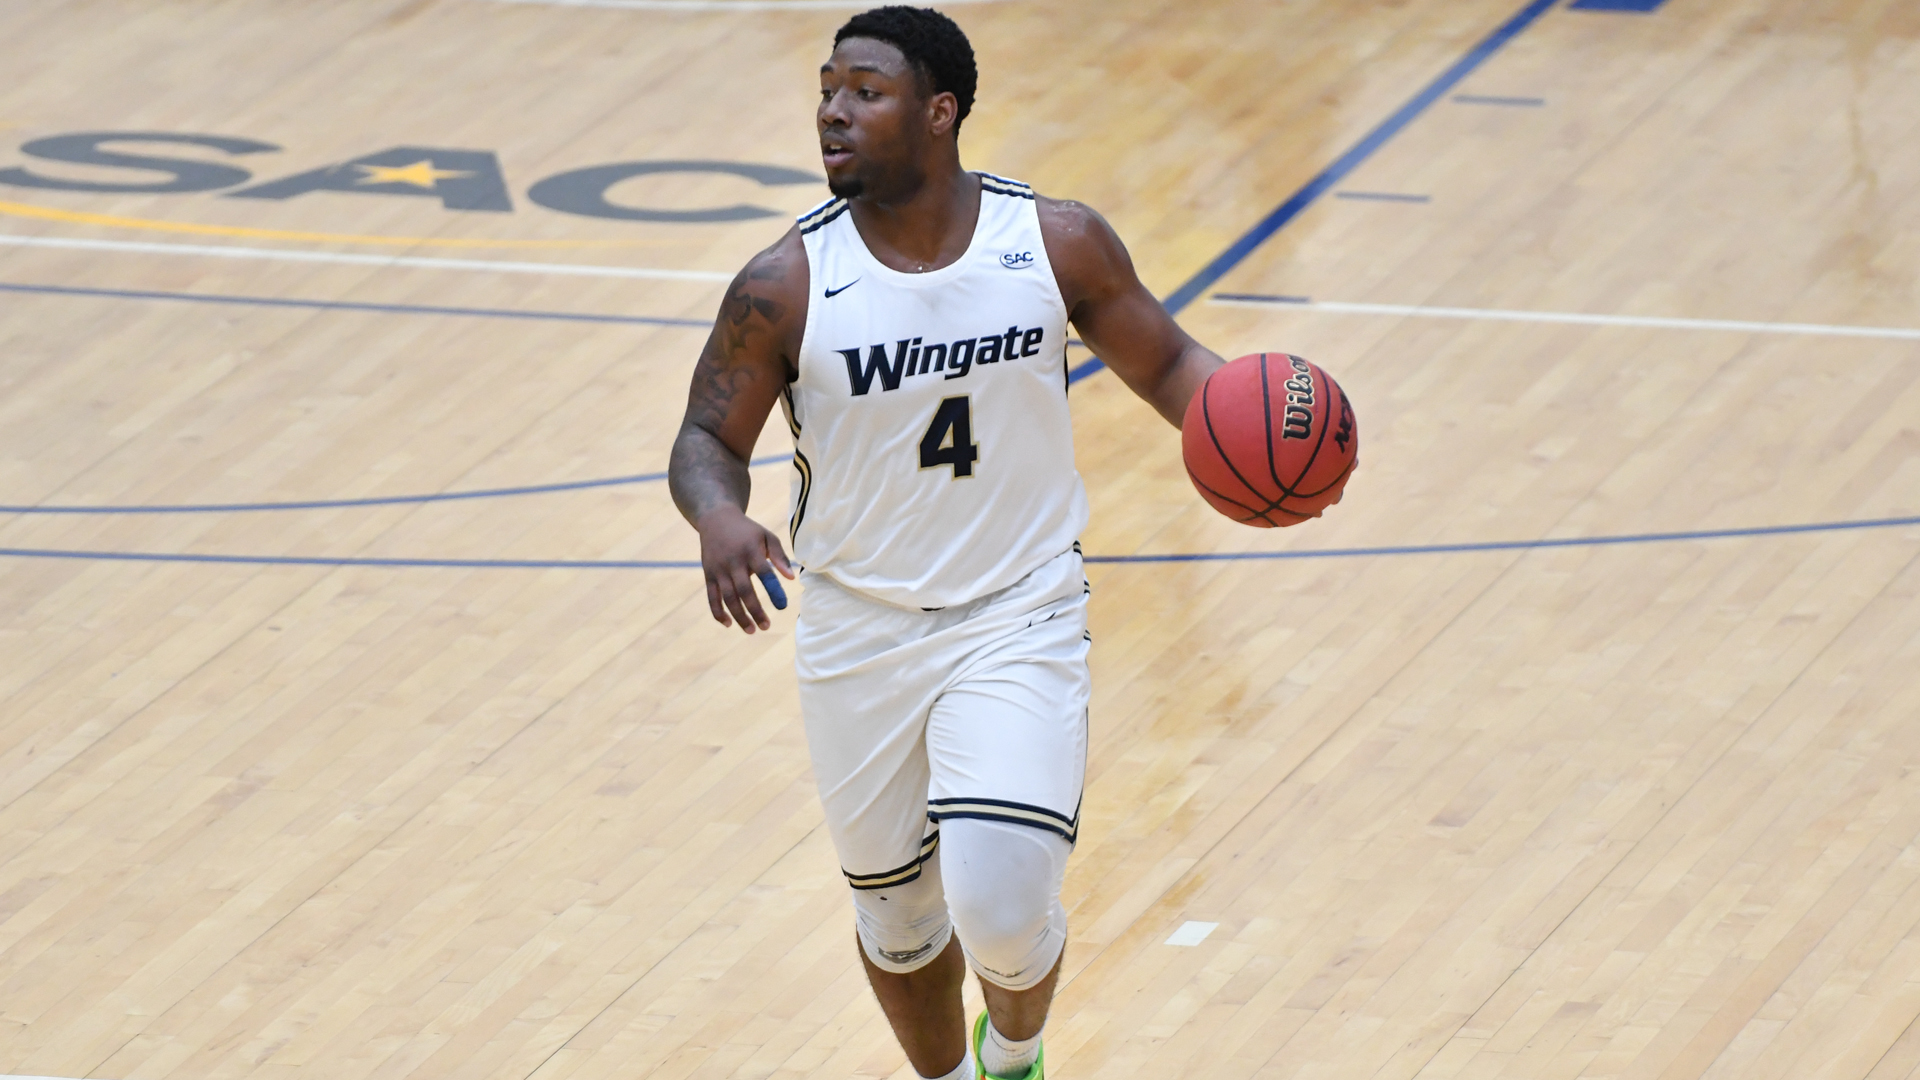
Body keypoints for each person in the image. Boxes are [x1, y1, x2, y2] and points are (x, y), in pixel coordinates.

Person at [667, 7, 1224, 1079]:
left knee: (1004, 907)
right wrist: (720, 514)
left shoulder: (1051, 241)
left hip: (1018, 608)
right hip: (858, 627)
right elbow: (705, 436)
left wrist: (1262, 429)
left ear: (940, 111)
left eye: (863, 92)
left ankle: (1015, 1056)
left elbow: (1169, 364)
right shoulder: (785, 284)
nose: (832, 110)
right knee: (903, 927)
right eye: (827, 88)